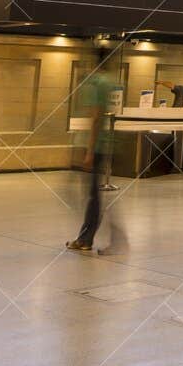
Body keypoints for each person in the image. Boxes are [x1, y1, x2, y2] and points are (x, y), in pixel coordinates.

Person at [68, 62, 120, 253]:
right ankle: (85, 238)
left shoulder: (96, 83)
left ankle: (88, 239)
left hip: (96, 147)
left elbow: (96, 117)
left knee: (93, 196)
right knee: (94, 196)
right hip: (105, 144)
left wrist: (89, 150)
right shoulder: (110, 82)